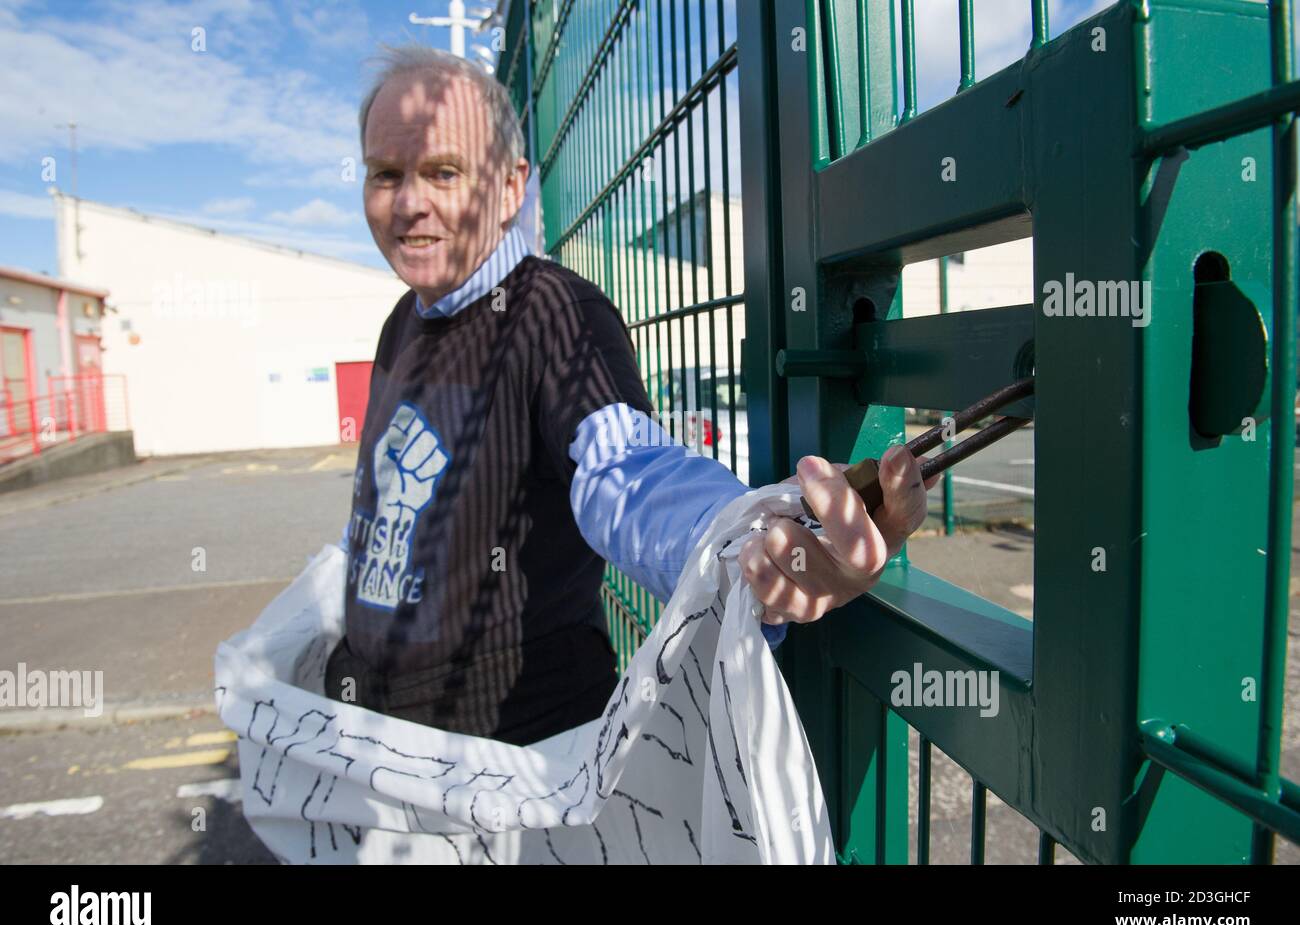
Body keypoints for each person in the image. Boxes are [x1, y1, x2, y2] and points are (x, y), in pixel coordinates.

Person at [326, 45, 937, 746]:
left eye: (442, 171)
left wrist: (749, 544)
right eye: (385, 175)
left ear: (509, 186)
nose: (409, 203)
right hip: (379, 746)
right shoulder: (401, 324)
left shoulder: (554, 315)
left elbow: (628, 474)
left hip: (507, 768)